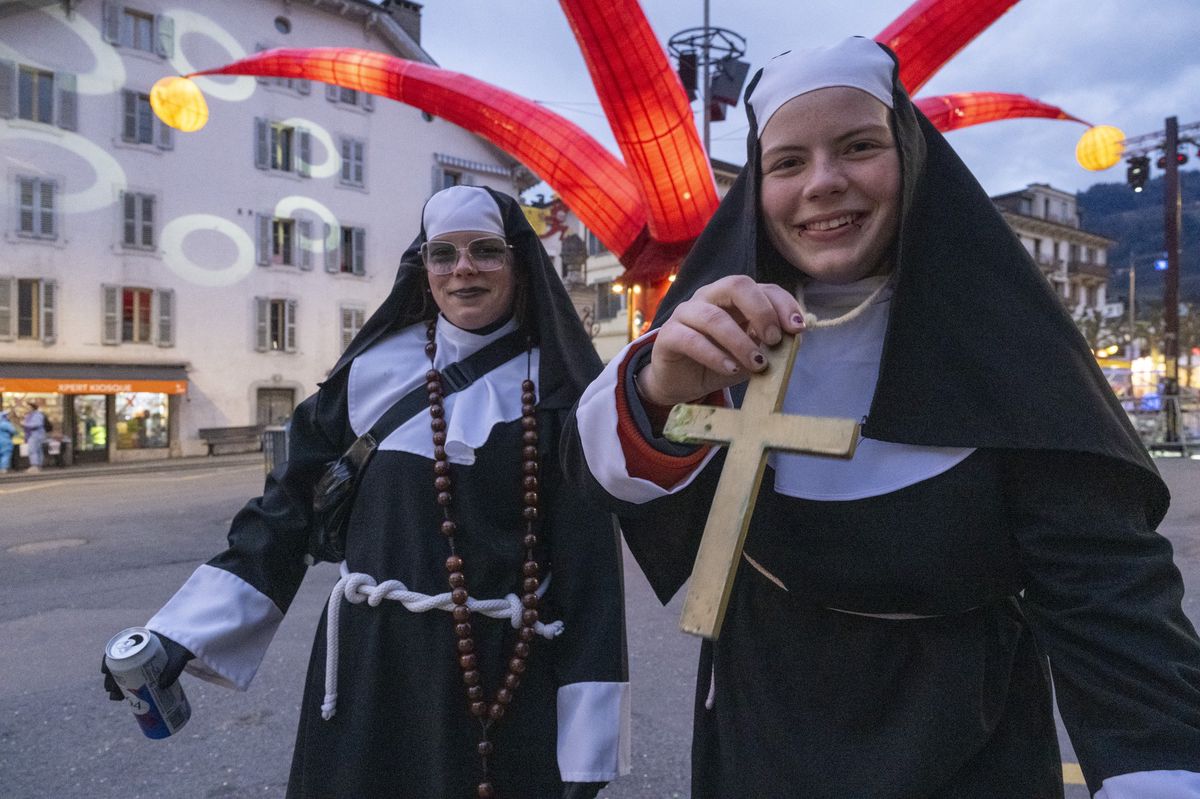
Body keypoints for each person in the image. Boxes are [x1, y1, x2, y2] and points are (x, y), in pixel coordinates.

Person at [564, 37, 1200, 798]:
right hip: (762, 726)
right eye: (789, 162)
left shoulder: (1000, 340)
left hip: (966, 740)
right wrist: (660, 388)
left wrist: (1155, 771)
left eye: (859, 147)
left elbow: (1109, 593)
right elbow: (602, 476)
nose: (824, 183)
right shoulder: (718, 335)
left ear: (909, 156)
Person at [104, 186, 630, 799]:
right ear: (423, 269)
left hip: (500, 672)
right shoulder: (369, 373)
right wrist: (180, 634)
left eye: (485, 251)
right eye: (444, 255)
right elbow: (285, 514)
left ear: (517, 263)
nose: (463, 269)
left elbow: (590, 573)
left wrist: (587, 751)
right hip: (367, 666)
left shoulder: (564, 389)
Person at [22, 401, 46, 472]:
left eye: (28, 407)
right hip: (34, 435)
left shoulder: (37, 415)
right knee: (37, 450)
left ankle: (34, 466)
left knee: (32, 450)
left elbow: (37, 424)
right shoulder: (30, 415)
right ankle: (38, 466)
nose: (26, 409)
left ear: (32, 408)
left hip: (36, 435)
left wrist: (25, 424)